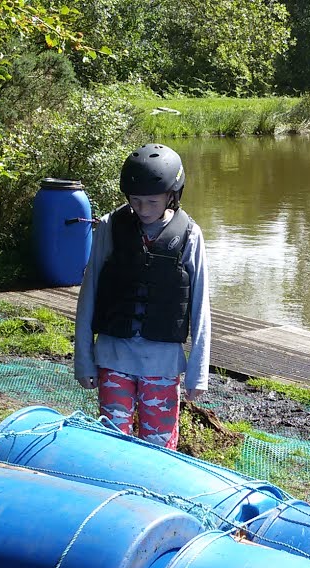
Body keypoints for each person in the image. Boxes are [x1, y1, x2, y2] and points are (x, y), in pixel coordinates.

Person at [73, 143, 212, 449]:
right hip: (113, 359)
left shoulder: (190, 235)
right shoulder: (109, 227)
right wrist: (83, 359)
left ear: (172, 195)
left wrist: (198, 372)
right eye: (135, 201)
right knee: (111, 444)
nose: (143, 209)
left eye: (152, 201)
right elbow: (89, 293)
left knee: (159, 449)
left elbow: (200, 306)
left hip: (162, 366)